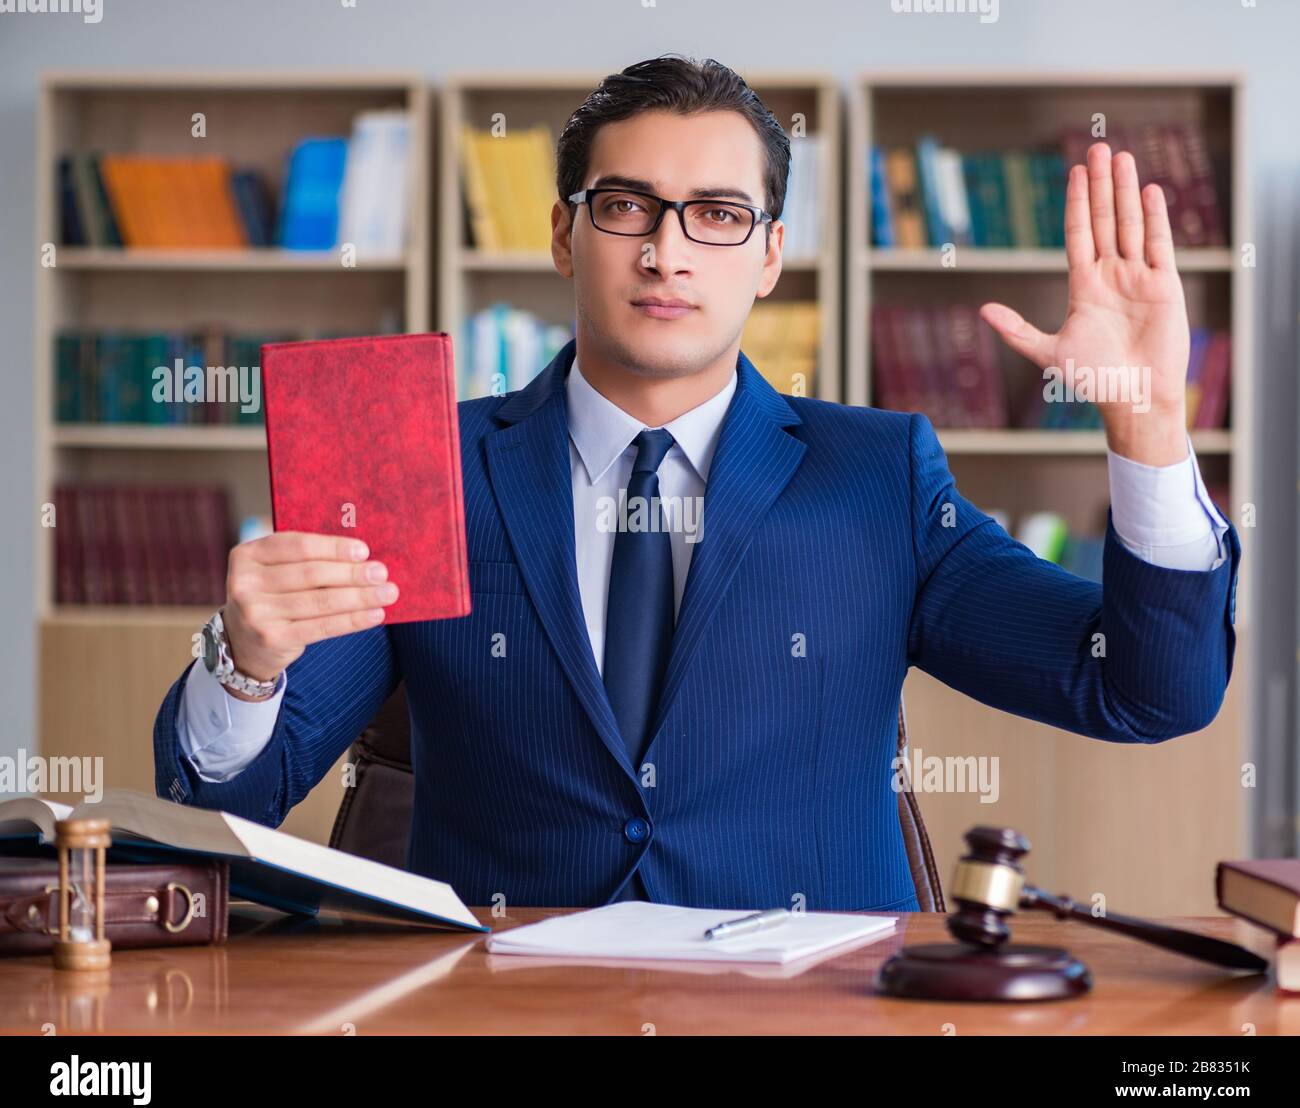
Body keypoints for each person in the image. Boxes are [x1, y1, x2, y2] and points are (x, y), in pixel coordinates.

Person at [154, 55, 1237, 912]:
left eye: (717, 215)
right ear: (563, 235)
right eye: (626, 205)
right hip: (497, 1013)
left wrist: (1147, 430)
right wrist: (245, 663)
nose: (668, 253)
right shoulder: (418, 461)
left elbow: (1145, 691)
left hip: (807, 1016)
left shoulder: (878, 476)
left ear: (767, 256)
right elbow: (217, 797)